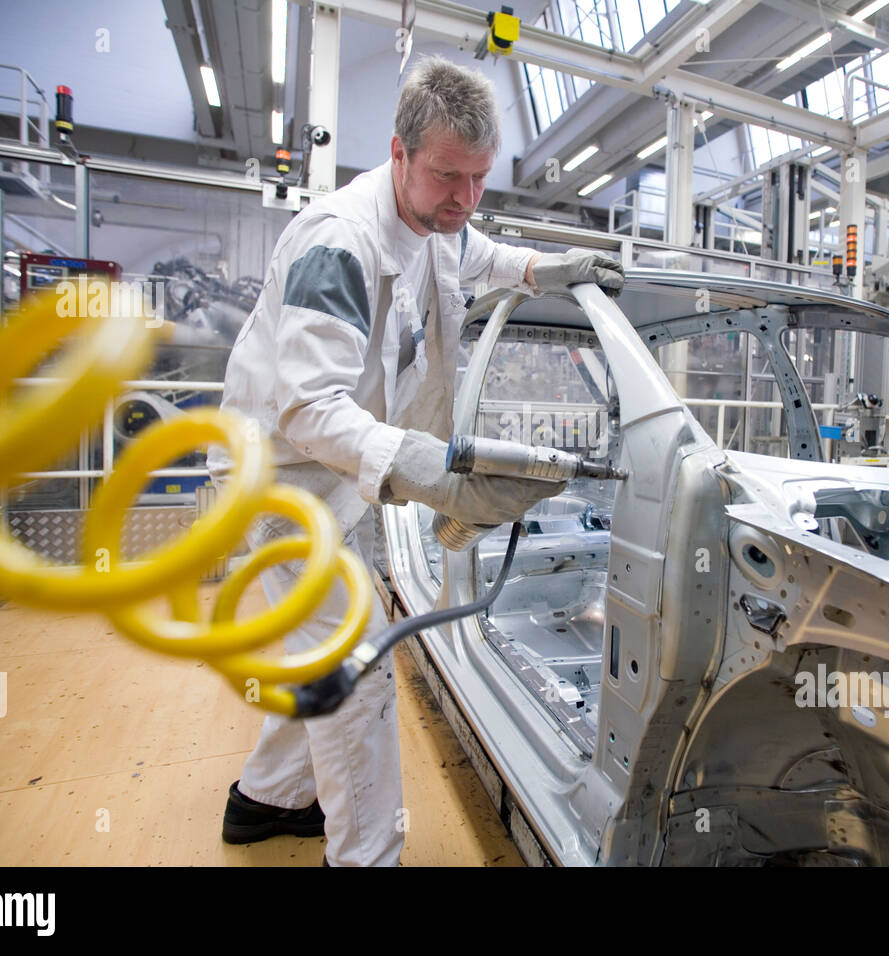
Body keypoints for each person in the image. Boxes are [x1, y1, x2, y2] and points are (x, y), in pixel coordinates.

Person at [208, 54, 624, 867]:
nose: (464, 200)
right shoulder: (338, 243)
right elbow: (306, 406)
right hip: (279, 486)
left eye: (479, 180)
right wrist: (427, 467)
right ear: (397, 154)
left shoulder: (436, 225)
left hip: (341, 480)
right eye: (447, 177)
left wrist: (545, 269)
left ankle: (266, 801)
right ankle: (364, 856)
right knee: (355, 661)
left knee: (326, 644)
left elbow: (485, 256)